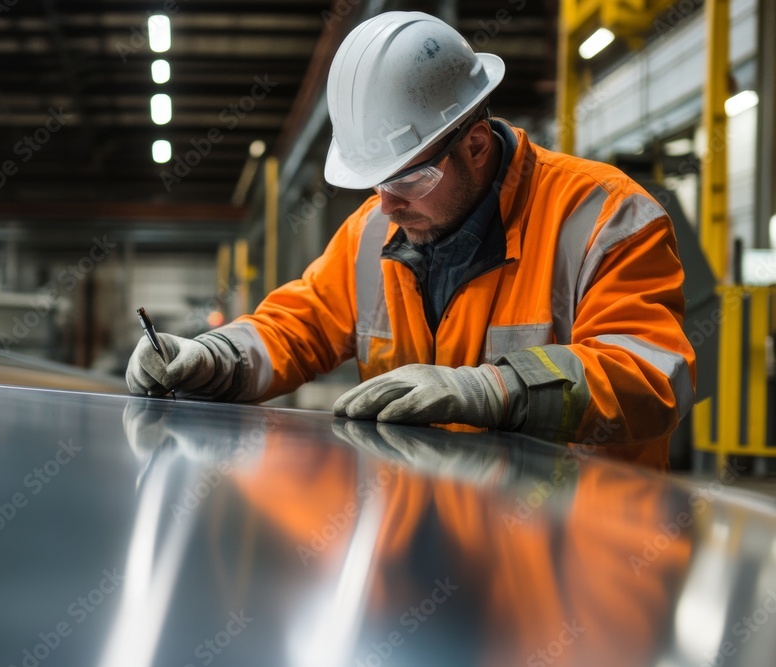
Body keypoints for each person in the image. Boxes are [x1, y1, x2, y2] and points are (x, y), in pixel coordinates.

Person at [127, 11, 695, 469]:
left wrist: (497, 391)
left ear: (475, 145)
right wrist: (212, 359)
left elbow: (649, 380)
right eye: (376, 182)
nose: (388, 205)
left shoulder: (604, 217)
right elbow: (295, 326)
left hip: (576, 568)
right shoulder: (373, 231)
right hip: (426, 552)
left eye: (409, 179)